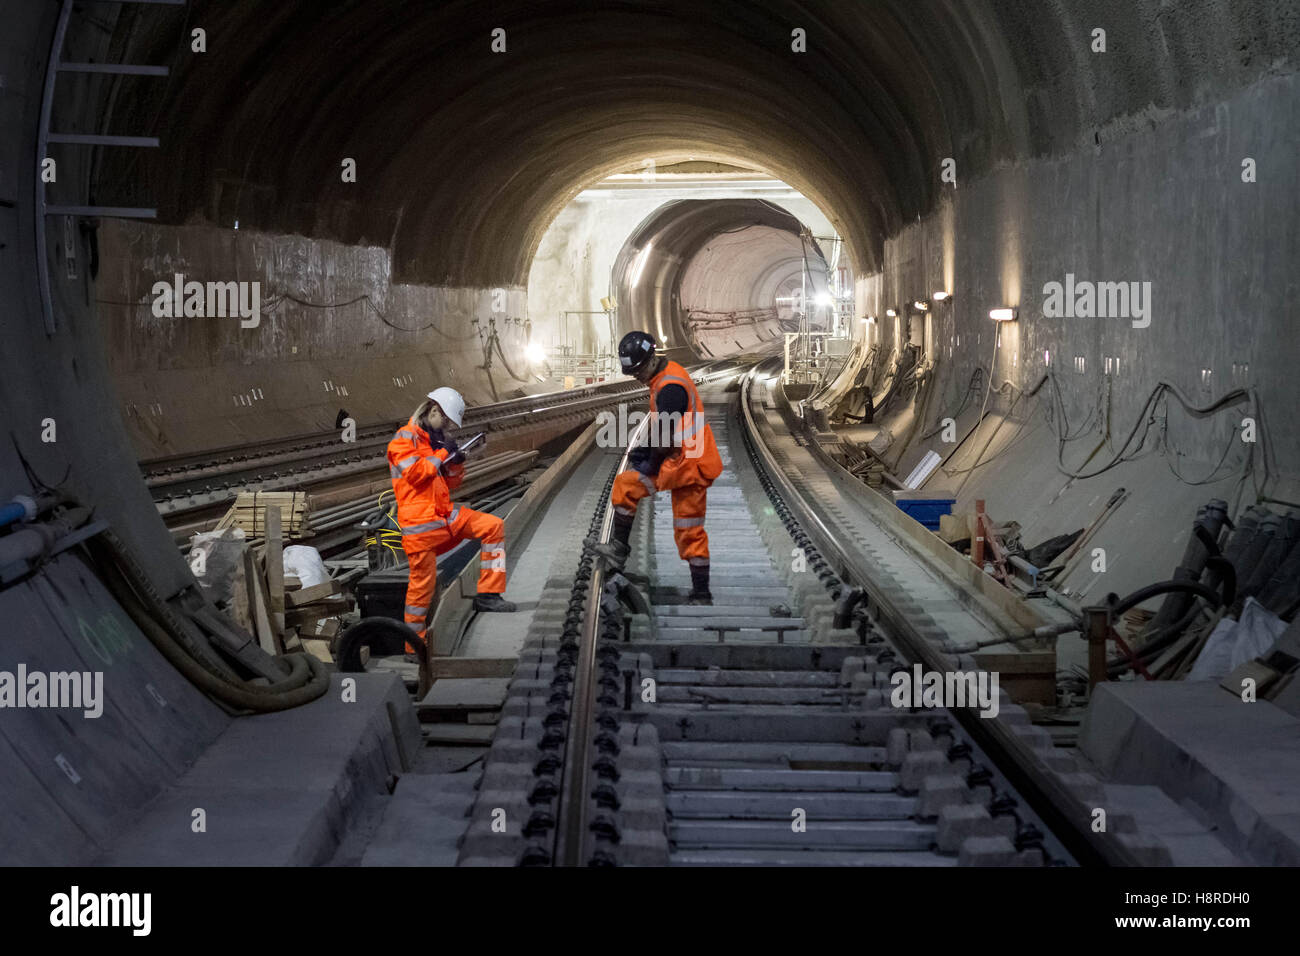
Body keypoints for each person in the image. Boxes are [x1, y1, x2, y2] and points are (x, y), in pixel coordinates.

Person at [587, 331, 723, 604]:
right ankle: (619, 549)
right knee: (628, 486)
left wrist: (650, 460)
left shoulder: (670, 387)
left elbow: (665, 431)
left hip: (689, 465)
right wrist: (646, 451)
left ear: (650, 360)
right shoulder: (664, 377)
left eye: (637, 371)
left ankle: (701, 593)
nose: (636, 376)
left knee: (688, 528)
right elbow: (664, 428)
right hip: (680, 461)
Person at [387, 386, 515, 651]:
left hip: (444, 517)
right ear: (434, 411)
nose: (447, 428)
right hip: (419, 527)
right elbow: (415, 474)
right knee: (421, 587)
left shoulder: (433, 441)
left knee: (493, 527)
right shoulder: (404, 439)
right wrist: (443, 452)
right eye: (445, 421)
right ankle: (414, 646)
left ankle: (489, 594)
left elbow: (452, 484)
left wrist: (457, 461)